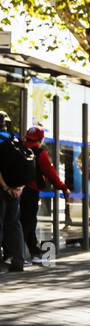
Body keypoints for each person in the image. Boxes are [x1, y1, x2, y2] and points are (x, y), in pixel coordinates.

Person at [19, 127, 71, 266]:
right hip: (30, 191)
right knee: (27, 223)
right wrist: (63, 187)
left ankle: (34, 253)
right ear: (41, 139)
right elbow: (51, 173)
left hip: (14, 190)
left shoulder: (18, 148)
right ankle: (19, 256)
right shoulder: (40, 153)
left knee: (24, 222)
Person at [0, 115, 32, 273]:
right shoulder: (15, 140)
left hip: (3, 189)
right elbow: (25, 165)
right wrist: (19, 188)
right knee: (14, 224)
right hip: (16, 191)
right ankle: (19, 261)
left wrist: (6, 188)